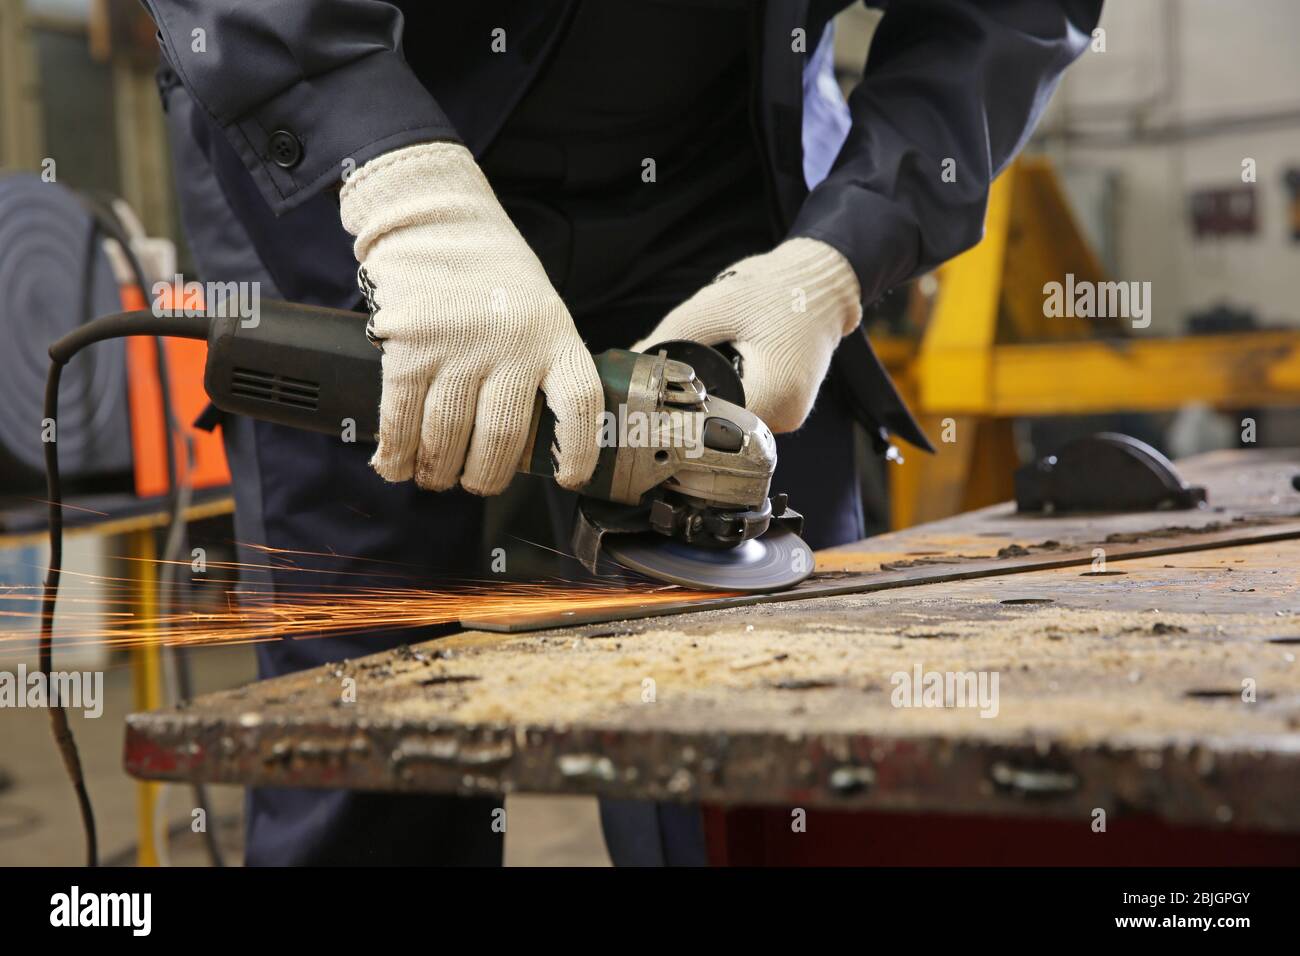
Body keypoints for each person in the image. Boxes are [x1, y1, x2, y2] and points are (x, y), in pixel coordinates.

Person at [142, 0, 1101, 865]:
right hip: (353, 151)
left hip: (728, 184)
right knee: (368, 731)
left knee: (773, 740)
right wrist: (400, 184)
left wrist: (842, 253)